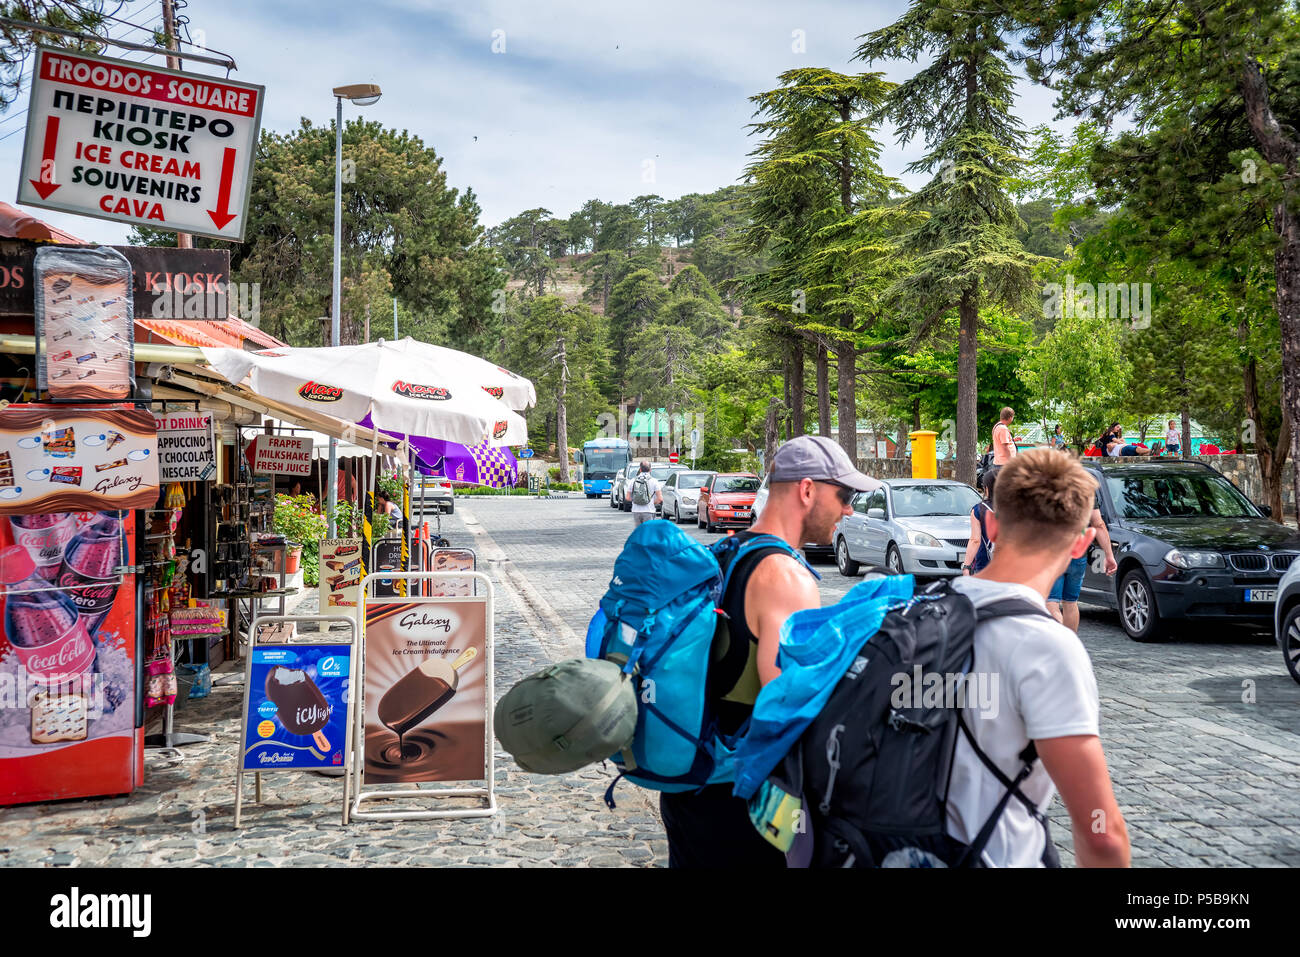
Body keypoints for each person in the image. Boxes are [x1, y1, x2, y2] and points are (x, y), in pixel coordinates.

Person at [658, 435, 877, 868]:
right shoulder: (786, 576)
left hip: (690, 784)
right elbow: (786, 705)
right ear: (808, 490)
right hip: (743, 799)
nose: (849, 509)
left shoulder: (725, 552)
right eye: (845, 495)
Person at [949, 448, 1130, 867]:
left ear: (991, 524)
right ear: (1081, 542)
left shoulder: (918, 608)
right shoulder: (1050, 649)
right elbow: (1102, 836)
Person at [1046, 456, 1118, 632]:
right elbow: (1099, 524)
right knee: (1071, 602)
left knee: (1051, 603)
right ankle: (1071, 646)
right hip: (1078, 552)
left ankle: (1060, 644)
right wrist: (1109, 556)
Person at [962, 468, 996, 575]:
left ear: (986, 488)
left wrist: (966, 566)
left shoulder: (979, 510)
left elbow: (975, 540)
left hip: (985, 565)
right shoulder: (1017, 507)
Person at [625, 462, 663, 526]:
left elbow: (627, 498)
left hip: (636, 510)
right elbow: (660, 499)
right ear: (650, 470)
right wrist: (649, 501)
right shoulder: (654, 481)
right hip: (649, 510)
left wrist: (637, 500)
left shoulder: (633, 481)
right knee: (648, 532)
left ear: (640, 469)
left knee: (639, 532)